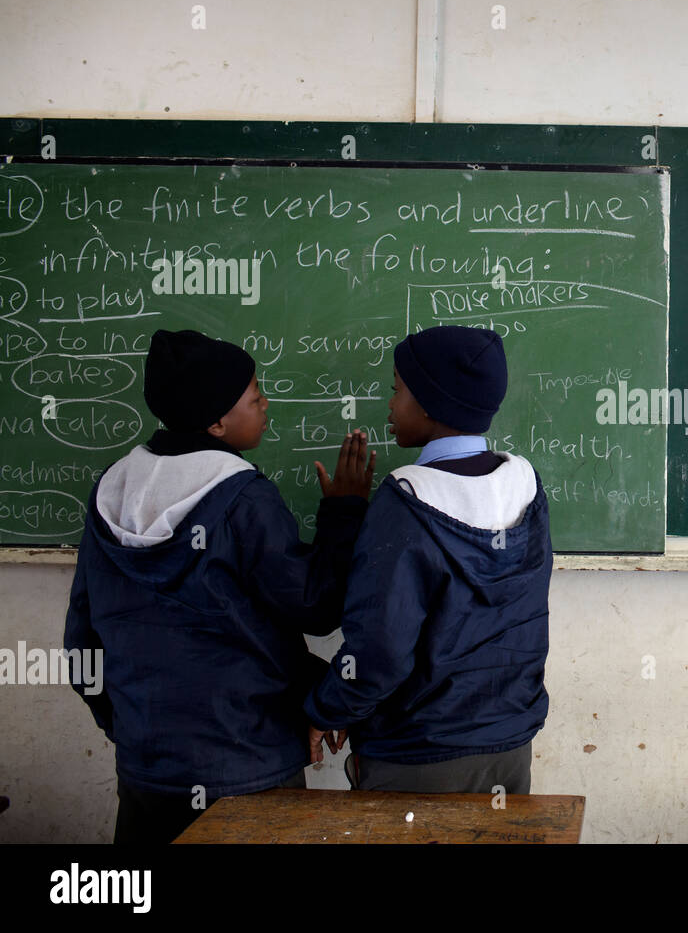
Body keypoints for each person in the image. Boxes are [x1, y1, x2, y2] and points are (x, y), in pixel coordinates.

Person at [63, 328, 375, 843]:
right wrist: (344, 514)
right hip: (248, 769)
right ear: (215, 422)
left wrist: (132, 729)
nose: (266, 403)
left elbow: (82, 643)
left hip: (148, 771)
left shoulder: (111, 490)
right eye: (255, 397)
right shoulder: (241, 497)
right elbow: (314, 605)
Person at [305, 325, 551, 795]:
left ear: (428, 404)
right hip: (509, 747)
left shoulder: (406, 502)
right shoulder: (526, 486)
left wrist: (327, 708)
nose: (391, 406)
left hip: (417, 757)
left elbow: (379, 652)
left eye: (397, 391)